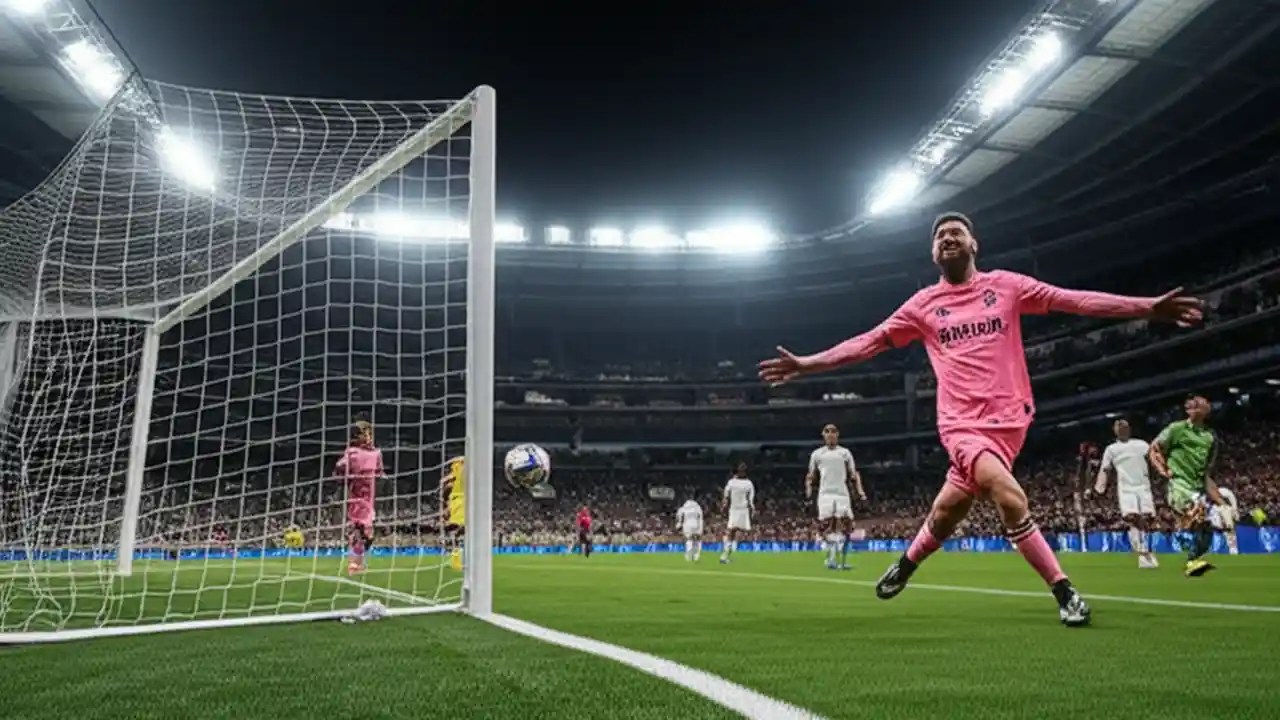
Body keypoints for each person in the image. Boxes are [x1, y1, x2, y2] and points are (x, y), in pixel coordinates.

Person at [759, 211, 1202, 626]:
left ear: (974, 243)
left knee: (947, 512)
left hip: (1011, 422)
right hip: (961, 426)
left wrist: (1147, 307)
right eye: (938, 235)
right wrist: (808, 364)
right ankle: (1065, 592)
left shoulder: (1007, 286)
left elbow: (1074, 301)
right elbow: (870, 342)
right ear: (933, 253)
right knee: (1010, 497)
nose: (947, 237)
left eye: (955, 231)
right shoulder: (923, 305)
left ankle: (906, 564)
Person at [1149, 395, 1225, 576]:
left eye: (1202, 404)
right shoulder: (1177, 429)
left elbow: (1206, 474)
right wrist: (1162, 469)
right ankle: (1187, 550)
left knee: (1207, 527)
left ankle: (1192, 560)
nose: (1197, 407)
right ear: (1188, 411)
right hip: (1179, 484)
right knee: (1196, 513)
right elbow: (1154, 448)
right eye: (1192, 405)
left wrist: (1222, 503)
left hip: (1197, 487)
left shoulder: (1210, 437)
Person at [1095, 419, 1158, 568]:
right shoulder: (1111, 449)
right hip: (1126, 488)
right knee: (1132, 518)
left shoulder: (1141, 444)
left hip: (1143, 486)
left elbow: (1154, 459)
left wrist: (1163, 471)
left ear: (1129, 429)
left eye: (1125, 427)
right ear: (1115, 431)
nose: (1122, 430)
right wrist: (1100, 488)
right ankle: (1142, 553)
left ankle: (1147, 550)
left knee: (1148, 518)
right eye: (1119, 428)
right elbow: (1105, 469)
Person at [808, 424, 864, 570]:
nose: (830, 434)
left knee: (847, 527)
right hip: (825, 494)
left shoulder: (845, 453)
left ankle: (843, 562)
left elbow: (854, 474)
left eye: (833, 431)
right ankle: (832, 556)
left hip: (842, 493)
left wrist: (860, 491)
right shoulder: (817, 454)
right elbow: (811, 475)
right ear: (823, 435)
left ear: (838, 434)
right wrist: (808, 489)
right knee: (826, 528)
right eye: (827, 431)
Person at [333, 419, 384, 576]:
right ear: (357, 436)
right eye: (365, 433)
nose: (368, 436)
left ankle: (356, 563)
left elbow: (379, 472)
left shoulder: (376, 453)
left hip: (369, 499)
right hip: (357, 498)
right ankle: (354, 565)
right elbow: (339, 468)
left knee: (368, 535)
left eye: (369, 433)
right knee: (362, 532)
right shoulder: (352, 453)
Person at [720, 462, 756, 564]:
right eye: (741, 469)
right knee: (731, 531)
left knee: (738, 532)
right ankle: (725, 555)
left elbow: (750, 499)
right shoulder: (732, 482)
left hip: (743, 509)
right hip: (734, 509)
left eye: (743, 469)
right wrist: (724, 506)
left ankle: (728, 552)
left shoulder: (748, 483)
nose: (742, 471)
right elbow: (726, 497)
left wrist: (752, 509)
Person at [440, 455, 466, 571]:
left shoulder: (457, 471)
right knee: (459, 531)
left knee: (456, 532)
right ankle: (458, 558)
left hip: (458, 502)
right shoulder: (465, 471)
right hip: (462, 502)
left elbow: (444, 482)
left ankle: (457, 559)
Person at [676, 497, 704, 562]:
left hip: (687, 525)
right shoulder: (698, 507)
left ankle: (689, 555)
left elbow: (679, 518)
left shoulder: (683, 508)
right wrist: (701, 528)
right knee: (697, 540)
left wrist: (679, 525)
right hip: (696, 524)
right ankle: (696, 556)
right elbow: (701, 518)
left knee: (689, 539)